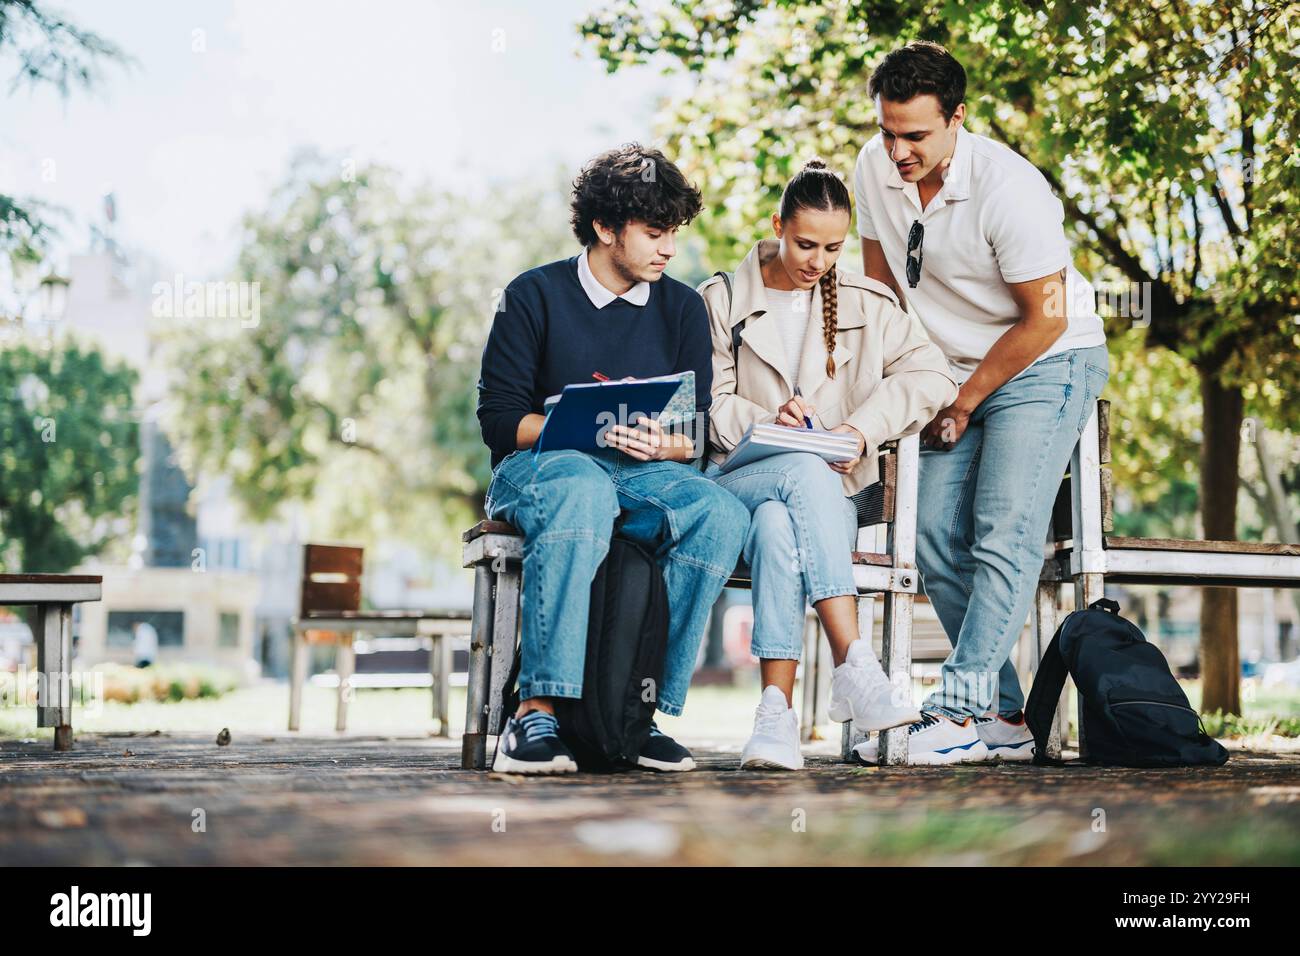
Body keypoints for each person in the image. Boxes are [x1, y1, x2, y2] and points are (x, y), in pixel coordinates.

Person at [852, 41, 1109, 764]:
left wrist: (963, 400)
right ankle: (1002, 715)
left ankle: (957, 709)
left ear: (958, 118)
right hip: (950, 367)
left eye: (916, 135)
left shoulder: (1011, 189)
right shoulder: (876, 168)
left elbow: (1048, 316)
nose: (897, 150)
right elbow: (882, 296)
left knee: (1004, 529)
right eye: (887, 131)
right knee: (931, 533)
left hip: (1045, 360)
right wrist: (907, 387)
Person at [476, 143, 751, 774]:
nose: (668, 250)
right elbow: (498, 423)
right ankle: (535, 713)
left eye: (673, 234)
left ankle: (639, 706)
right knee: (583, 491)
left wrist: (666, 444)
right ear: (605, 229)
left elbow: (694, 432)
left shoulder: (681, 307)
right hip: (543, 468)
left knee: (718, 513)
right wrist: (581, 429)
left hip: (642, 472)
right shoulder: (532, 295)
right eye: (655, 234)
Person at [698, 159, 958, 770]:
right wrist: (768, 423)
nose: (818, 260)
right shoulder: (721, 299)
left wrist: (858, 430)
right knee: (798, 471)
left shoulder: (869, 303)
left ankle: (774, 717)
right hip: (739, 481)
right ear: (777, 226)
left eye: (834, 247)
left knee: (781, 527)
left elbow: (935, 375)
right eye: (805, 243)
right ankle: (853, 664)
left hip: (822, 508)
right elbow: (706, 405)